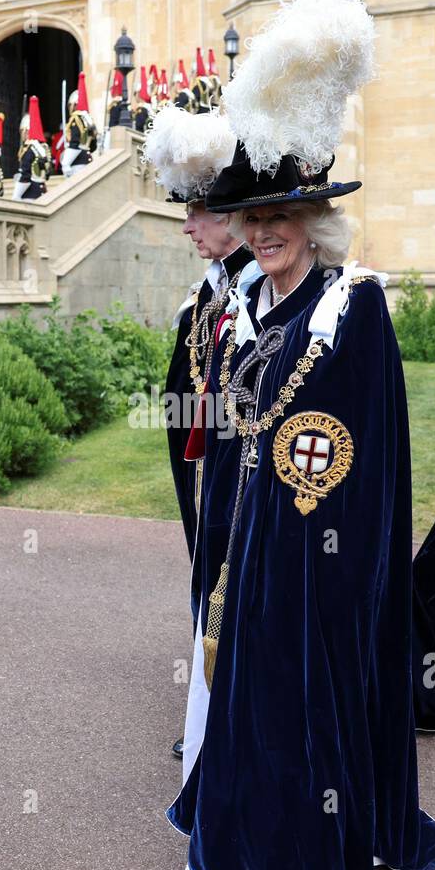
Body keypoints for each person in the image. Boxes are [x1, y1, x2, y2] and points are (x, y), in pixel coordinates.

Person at [169, 0, 435, 870]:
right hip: (252, 543)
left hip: (321, 549)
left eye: (279, 220)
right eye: (253, 221)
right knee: (246, 699)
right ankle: (241, 837)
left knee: (305, 702)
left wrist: (318, 551)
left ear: (314, 222)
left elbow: (360, 444)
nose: (263, 235)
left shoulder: (355, 304)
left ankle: (308, 847)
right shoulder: (248, 300)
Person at [142, 104, 257, 760]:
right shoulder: (213, 286)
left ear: (231, 216)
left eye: (196, 211)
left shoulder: (252, 284)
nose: (185, 225)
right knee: (209, 584)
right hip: (204, 470)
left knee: (233, 588)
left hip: (235, 470)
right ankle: (214, 709)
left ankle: (230, 722)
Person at [13, 97, 52, 201]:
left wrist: (16, 195)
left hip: (29, 193)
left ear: (26, 131)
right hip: (42, 190)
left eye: (23, 131)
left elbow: (26, 176)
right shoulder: (43, 148)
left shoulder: (29, 149)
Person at [61, 74, 98, 178]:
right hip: (87, 158)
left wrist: (65, 163)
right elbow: (93, 145)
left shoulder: (77, 118)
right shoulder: (88, 119)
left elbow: (75, 142)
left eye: (71, 105)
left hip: (77, 162)